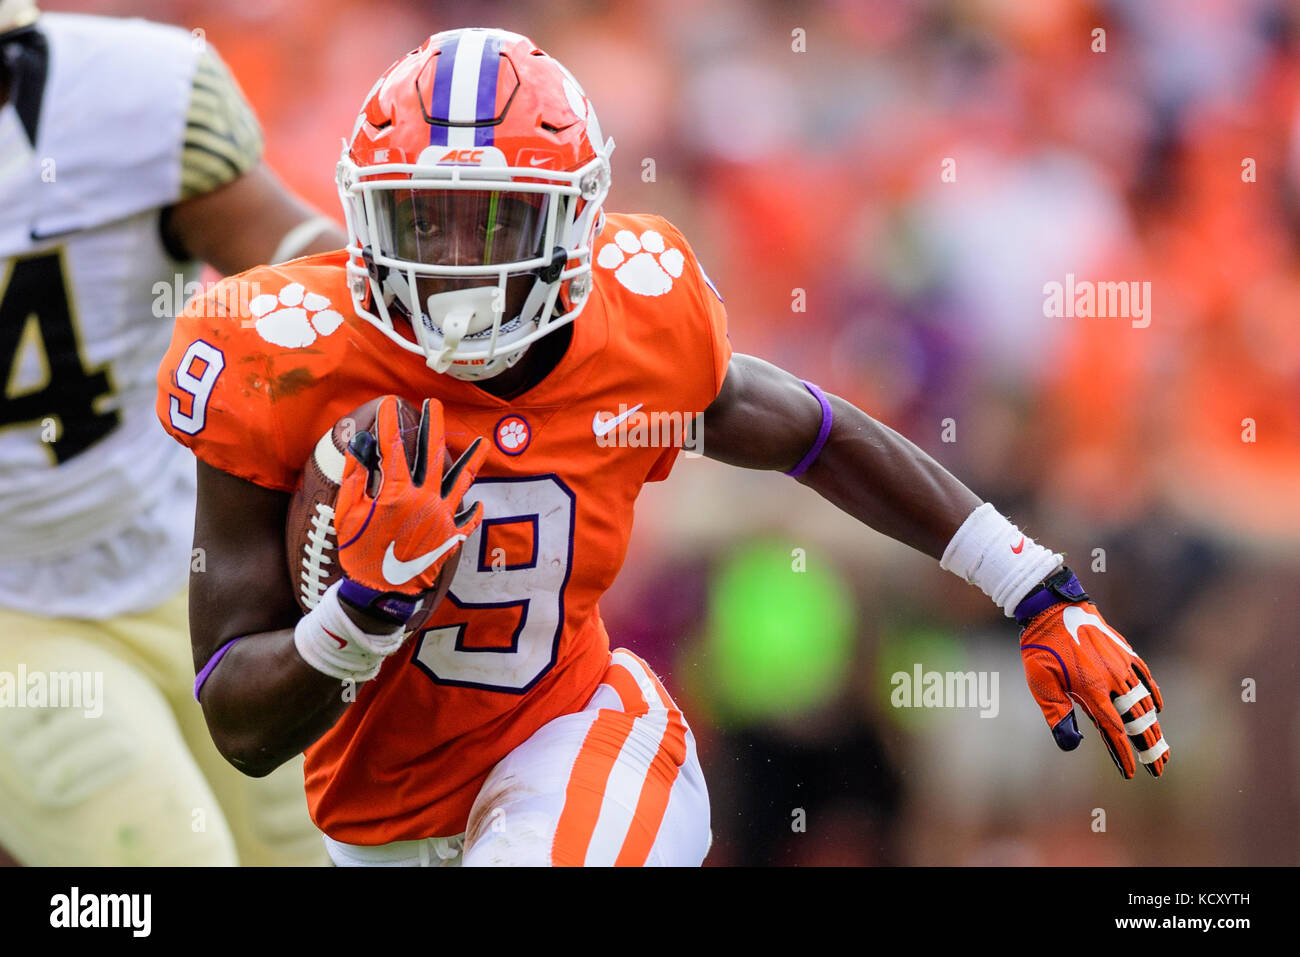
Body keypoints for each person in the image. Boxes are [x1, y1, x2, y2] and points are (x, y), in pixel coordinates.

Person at [157, 27, 1170, 867]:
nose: (454, 268)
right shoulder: (275, 353)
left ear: (572, 226)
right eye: (426, 219)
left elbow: (817, 433)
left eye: (496, 222)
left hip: (573, 735)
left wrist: (1032, 583)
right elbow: (241, 727)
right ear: (367, 215)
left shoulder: (636, 319)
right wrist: (361, 613)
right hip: (375, 818)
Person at [0, 1, 345, 865]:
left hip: (185, 563)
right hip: (13, 609)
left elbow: (290, 263)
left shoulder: (132, 97)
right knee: (154, 857)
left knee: (309, 852)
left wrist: (388, 331)